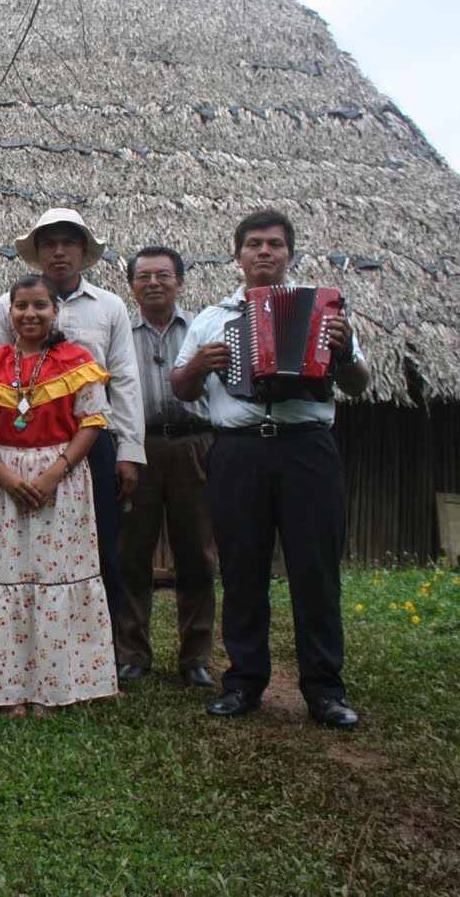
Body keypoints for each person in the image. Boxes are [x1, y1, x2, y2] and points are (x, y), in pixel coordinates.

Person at [171, 209, 370, 729]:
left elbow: (358, 384)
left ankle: (325, 692)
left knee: (316, 572)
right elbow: (181, 388)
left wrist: (345, 350)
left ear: (289, 254)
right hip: (238, 451)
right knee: (241, 569)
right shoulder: (211, 318)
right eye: (254, 244)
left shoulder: (326, 312)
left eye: (275, 244)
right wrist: (199, 366)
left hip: (307, 448)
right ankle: (243, 683)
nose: (264, 252)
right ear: (237, 256)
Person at [0, 274, 118, 714]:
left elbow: (91, 424)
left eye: (40, 306)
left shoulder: (77, 361)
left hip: (60, 480)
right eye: (21, 306)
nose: (30, 314)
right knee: (6, 575)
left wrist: (55, 473)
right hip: (3, 480)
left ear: (56, 311)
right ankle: (4, 686)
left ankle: (57, 685)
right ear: (9, 312)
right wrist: (2, 473)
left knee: (55, 577)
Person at [0, 208, 144, 629]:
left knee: (97, 548)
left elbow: (125, 379)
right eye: (48, 244)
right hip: (23, 447)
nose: (58, 252)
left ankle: (99, 656)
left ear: (83, 251)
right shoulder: (8, 305)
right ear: (37, 253)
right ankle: (23, 647)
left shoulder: (109, 307)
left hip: (91, 441)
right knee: (21, 549)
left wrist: (130, 449)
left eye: (67, 243)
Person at [114, 246, 218, 689]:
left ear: (180, 280)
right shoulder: (121, 331)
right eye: (144, 277)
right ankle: (132, 654)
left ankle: (195, 657)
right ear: (131, 285)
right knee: (131, 554)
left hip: (195, 443)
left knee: (196, 554)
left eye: (163, 275)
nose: (154, 283)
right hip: (140, 445)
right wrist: (124, 450)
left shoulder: (203, 328)